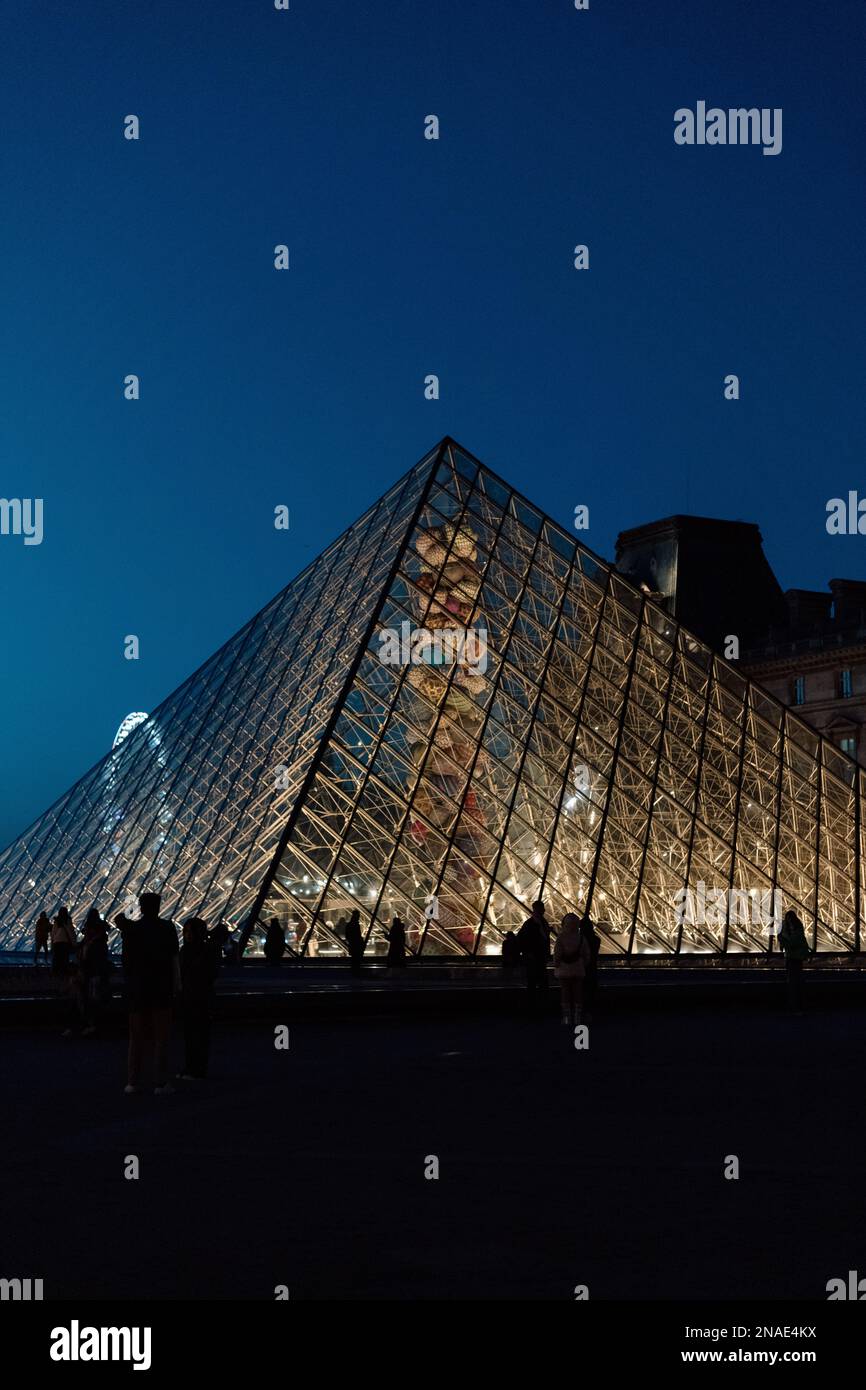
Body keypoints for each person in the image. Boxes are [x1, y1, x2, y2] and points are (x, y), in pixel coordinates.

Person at [116, 893, 180, 1095]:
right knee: (161, 1038)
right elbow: (174, 961)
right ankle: (160, 1082)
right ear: (159, 907)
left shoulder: (132, 930)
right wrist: (177, 986)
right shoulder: (167, 928)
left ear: (141, 908)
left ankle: (132, 1081)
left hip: (138, 990)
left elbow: (126, 962)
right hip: (161, 989)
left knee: (136, 1038)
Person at [178, 917, 218, 1080]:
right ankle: (190, 1067)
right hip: (191, 997)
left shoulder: (203, 950)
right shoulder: (188, 950)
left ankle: (197, 1069)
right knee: (190, 1036)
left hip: (199, 997)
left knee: (198, 1036)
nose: (187, 934)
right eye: (185, 931)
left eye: (190, 931)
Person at [553, 913, 591, 1026]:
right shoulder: (581, 938)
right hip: (578, 968)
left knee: (565, 992)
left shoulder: (561, 938)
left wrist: (556, 964)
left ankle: (567, 1017)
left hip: (564, 969)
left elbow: (557, 954)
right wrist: (583, 964)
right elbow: (587, 954)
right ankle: (577, 1017)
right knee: (578, 992)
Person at [78, 908, 111, 1036]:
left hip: (91, 972)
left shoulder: (90, 944)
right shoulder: (100, 942)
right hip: (97, 971)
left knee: (90, 998)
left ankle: (91, 1023)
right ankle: (97, 1023)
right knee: (97, 997)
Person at [516, 900, 551, 1009]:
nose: (544, 910)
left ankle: (539, 1005)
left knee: (540, 983)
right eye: (542, 908)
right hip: (533, 958)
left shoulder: (542, 922)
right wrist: (528, 953)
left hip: (540, 957)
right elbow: (522, 940)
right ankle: (534, 1006)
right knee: (534, 983)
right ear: (536, 910)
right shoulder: (530, 924)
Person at [778, 909, 811, 1014]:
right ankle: (798, 1005)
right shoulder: (797, 929)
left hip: (794, 958)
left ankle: (795, 1006)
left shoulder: (796, 932)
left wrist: (782, 940)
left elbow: (791, 944)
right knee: (796, 982)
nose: (788, 923)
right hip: (793, 958)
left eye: (789, 920)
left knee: (793, 983)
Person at [580, 914, 601, 1021]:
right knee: (592, 991)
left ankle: (584, 1012)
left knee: (583, 991)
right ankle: (592, 1012)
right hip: (593, 968)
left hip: (582, 968)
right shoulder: (597, 940)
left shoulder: (580, 940)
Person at [51, 906, 77, 977]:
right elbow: (70, 931)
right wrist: (74, 942)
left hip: (57, 942)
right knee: (64, 958)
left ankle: (55, 972)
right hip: (65, 942)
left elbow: (53, 933)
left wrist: (52, 942)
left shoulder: (57, 921)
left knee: (56, 958)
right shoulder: (68, 921)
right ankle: (64, 972)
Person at [345, 910, 364, 975]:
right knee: (357, 960)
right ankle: (356, 972)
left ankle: (354, 972)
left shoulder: (349, 924)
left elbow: (347, 935)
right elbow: (358, 935)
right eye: (358, 915)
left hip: (352, 944)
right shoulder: (356, 924)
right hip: (356, 945)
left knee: (354, 960)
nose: (359, 917)